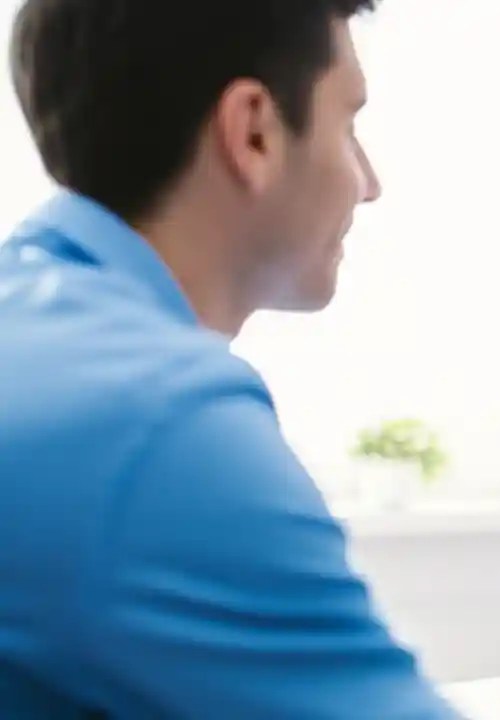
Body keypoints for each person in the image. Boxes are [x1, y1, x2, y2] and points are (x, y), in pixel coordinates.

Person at [0, 1, 460, 716]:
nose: (369, 182)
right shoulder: (157, 424)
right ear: (252, 131)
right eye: (348, 124)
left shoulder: (33, 329)